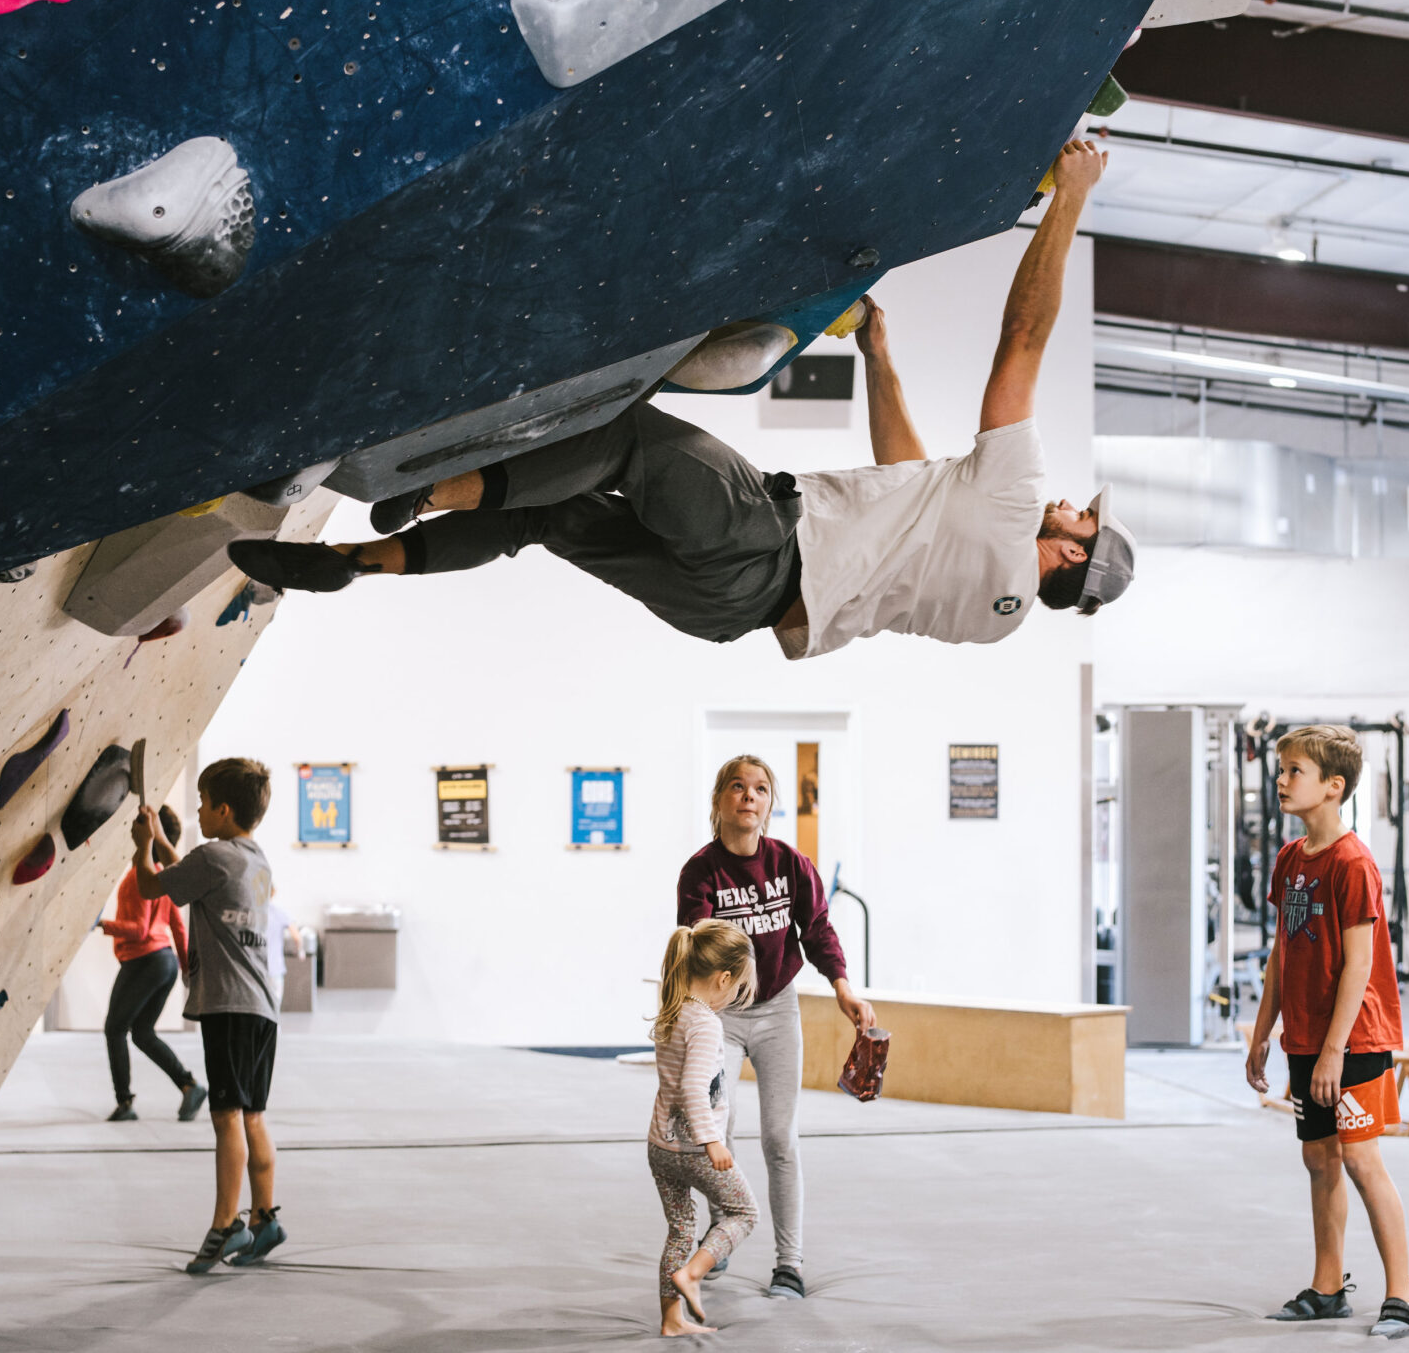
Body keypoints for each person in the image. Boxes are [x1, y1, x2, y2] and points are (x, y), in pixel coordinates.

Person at [226, 140, 1135, 657]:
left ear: (1068, 553)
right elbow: (912, 482)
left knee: (620, 437)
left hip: (762, 539)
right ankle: (361, 562)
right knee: (548, 512)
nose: (1068, 501)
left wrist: (1070, 204)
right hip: (729, 616)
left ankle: (436, 490)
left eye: (1079, 518)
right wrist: (881, 355)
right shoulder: (993, 618)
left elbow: (1024, 338)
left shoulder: (1015, 504)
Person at [1243, 726, 1409, 1340]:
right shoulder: (1293, 859)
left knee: (1362, 1161)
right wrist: (1263, 1032)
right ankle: (1327, 1287)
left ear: (1333, 786)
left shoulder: (1353, 862)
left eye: (1294, 771)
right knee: (1319, 1159)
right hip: (1303, 1038)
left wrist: (1333, 1052)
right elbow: (1280, 954)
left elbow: (1359, 964)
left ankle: (1401, 1293)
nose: (1282, 781)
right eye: (1282, 770)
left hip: (1353, 1040)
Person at [677, 754, 873, 1300]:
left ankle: (790, 1263)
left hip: (777, 1011)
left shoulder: (789, 863)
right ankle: (724, 1232)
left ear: (769, 803)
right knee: (720, 1126)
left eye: (760, 789)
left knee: (779, 1138)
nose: (748, 796)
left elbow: (817, 929)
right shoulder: (700, 872)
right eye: (737, 787)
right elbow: (693, 948)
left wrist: (843, 988)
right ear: (719, 801)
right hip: (721, 1016)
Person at [132, 757, 285, 1274]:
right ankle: (265, 1219)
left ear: (222, 810)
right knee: (253, 1116)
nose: (198, 811)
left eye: (201, 803)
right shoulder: (255, 860)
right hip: (263, 1008)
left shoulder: (213, 857)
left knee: (225, 1117)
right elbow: (193, 876)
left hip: (228, 1005)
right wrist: (164, 842)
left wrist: (142, 846)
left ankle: (225, 1224)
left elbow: (155, 886)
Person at [648, 919, 762, 1338]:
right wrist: (712, 1140)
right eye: (738, 987)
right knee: (744, 1213)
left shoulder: (672, 1010)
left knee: (680, 1228)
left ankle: (672, 1320)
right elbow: (695, 1088)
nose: (735, 996)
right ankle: (692, 1274)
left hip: (661, 1145)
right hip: (695, 1150)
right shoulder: (706, 1023)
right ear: (724, 977)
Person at [100, 803, 210, 1122]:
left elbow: (139, 930)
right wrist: (187, 969)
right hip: (166, 964)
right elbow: (177, 923)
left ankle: (125, 1103)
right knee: (143, 1032)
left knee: (114, 1029)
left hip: (144, 960)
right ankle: (189, 1085)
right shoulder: (163, 877)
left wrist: (100, 924)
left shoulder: (139, 876)